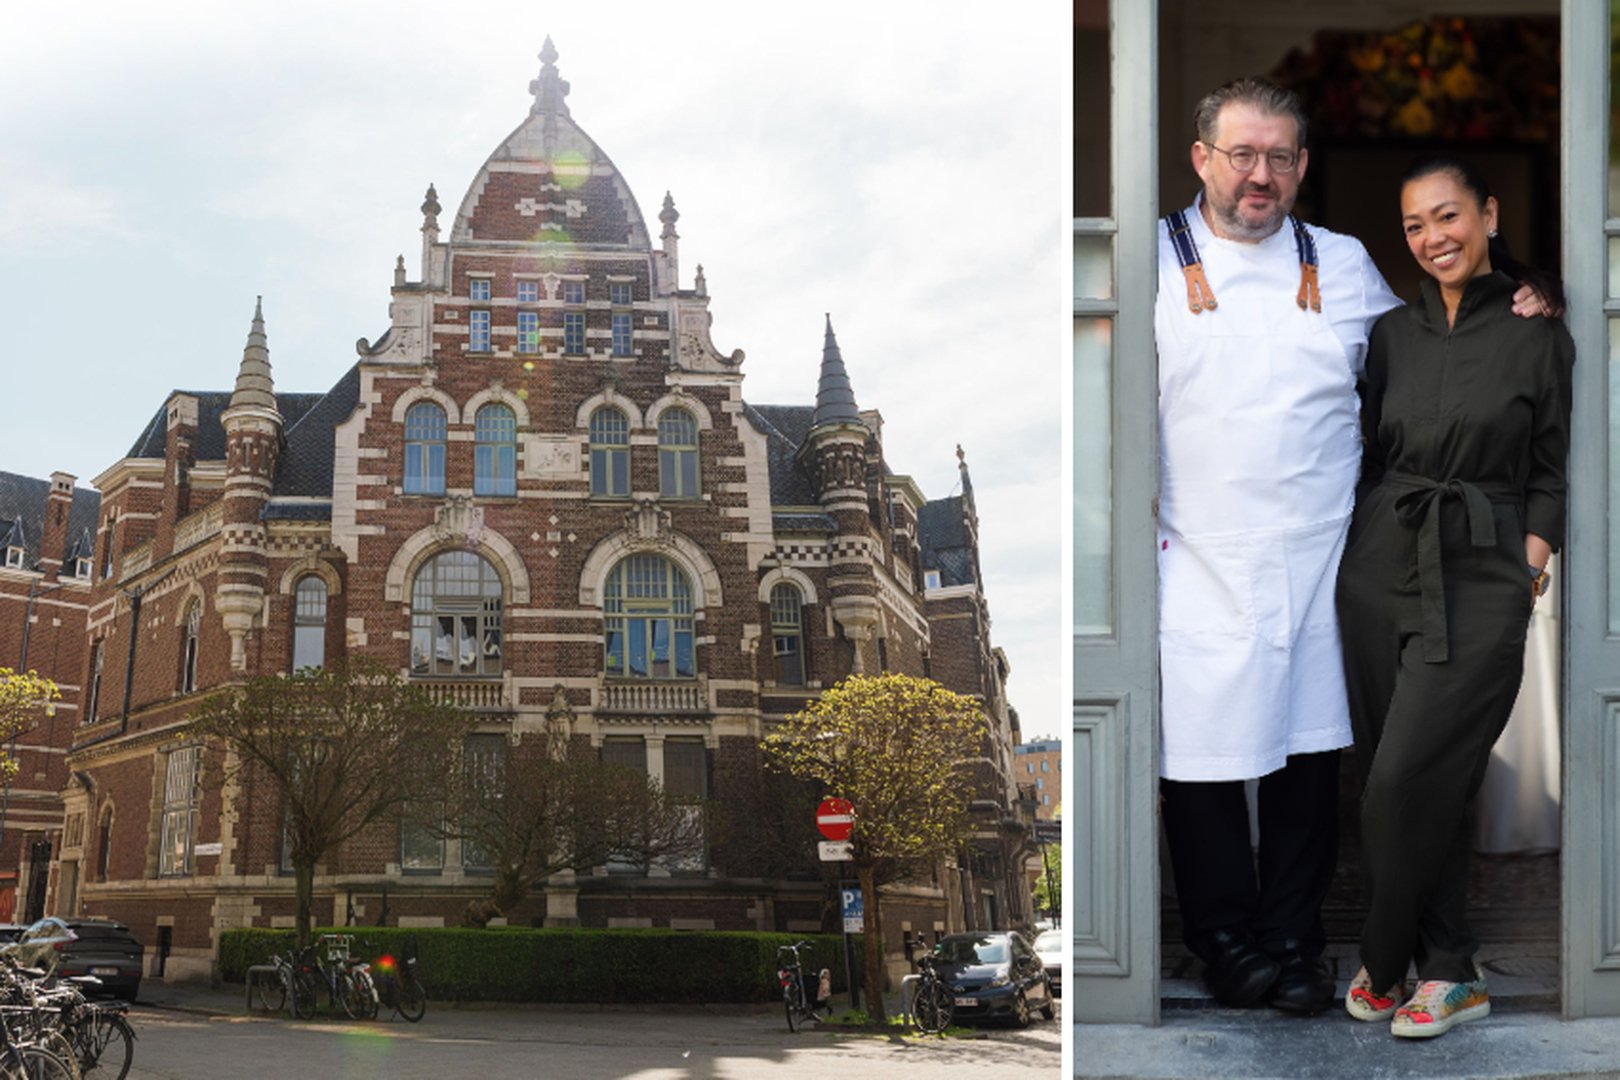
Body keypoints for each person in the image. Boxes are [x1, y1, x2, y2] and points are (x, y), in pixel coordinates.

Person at [1154, 79, 1543, 1016]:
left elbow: (1439, 341)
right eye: (1243, 154)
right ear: (1201, 159)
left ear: (1301, 169)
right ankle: (1221, 940)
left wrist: (1532, 287)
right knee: (1204, 763)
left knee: (1308, 760)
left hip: (1331, 554)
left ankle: (1294, 942)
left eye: (1281, 157)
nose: (1262, 174)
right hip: (1196, 554)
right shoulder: (1148, 268)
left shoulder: (1343, 262)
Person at [1336, 154, 1573, 1039]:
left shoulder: (1537, 329)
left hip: (1482, 570)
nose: (1433, 237)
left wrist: (1531, 566)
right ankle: (1449, 970)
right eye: (1414, 225)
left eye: (1448, 216)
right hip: (1378, 570)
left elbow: (1552, 466)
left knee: (1404, 780)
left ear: (1488, 214)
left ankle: (1383, 955)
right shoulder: (1390, 334)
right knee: (1402, 778)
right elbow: (1364, 449)